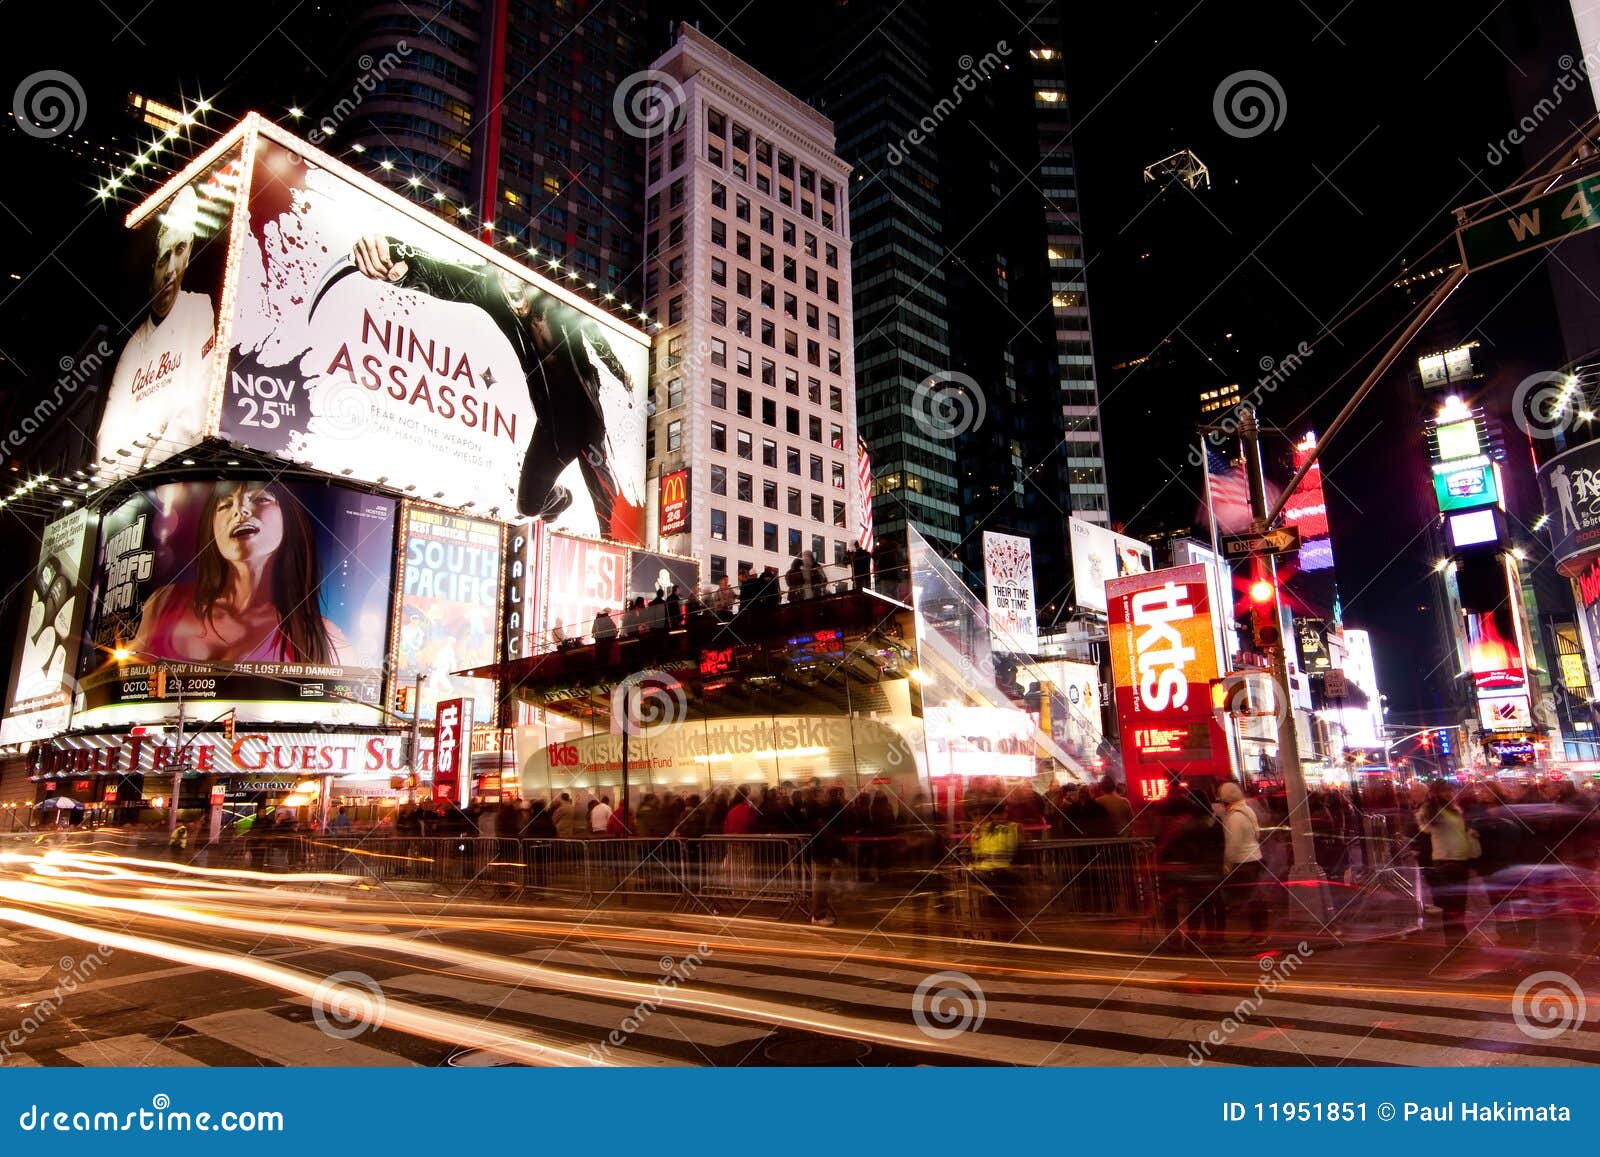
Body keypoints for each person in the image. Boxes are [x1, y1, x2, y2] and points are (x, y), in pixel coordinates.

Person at [347, 234, 636, 531]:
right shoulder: (488, 287)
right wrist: (396, 257)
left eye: (519, 280)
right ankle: (561, 499)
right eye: (504, 278)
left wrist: (621, 373)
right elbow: (440, 274)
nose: (512, 289)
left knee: (608, 509)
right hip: (552, 424)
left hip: (585, 415)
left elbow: (598, 341)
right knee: (527, 505)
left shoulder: (564, 305)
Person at [130, 481, 349, 666]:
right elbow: (126, 672)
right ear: (211, 527)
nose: (240, 510)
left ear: (288, 517)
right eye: (225, 505)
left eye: (261, 499)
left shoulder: (322, 635)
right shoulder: (164, 601)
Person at [98, 184, 215, 471]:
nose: (171, 270)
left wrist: (153, 462)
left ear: (189, 252)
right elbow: (107, 436)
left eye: (180, 250)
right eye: (164, 259)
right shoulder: (132, 347)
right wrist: (126, 475)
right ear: (152, 270)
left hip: (176, 469)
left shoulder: (199, 309)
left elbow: (196, 408)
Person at [1414, 780, 1476, 944]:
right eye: (1444, 790)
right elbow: (1425, 827)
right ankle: (1454, 940)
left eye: (1450, 790)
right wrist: (1430, 803)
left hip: (1462, 858)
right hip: (1445, 859)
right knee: (1451, 903)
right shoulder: (1433, 810)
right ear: (1436, 792)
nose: (1449, 793)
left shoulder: (1454, 809)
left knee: (1460, 902)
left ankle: (1461, 936)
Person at [1217, 782, 1268, 945]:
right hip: (1256, 858)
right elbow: (1257, 834)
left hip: (1243, 862)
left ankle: (1258, 934)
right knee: (1256, 898)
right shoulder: (1248, 810)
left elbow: (1233, 845)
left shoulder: (1234, 817)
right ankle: (1259, 933)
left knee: (1251, 900)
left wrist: (1227, 866)